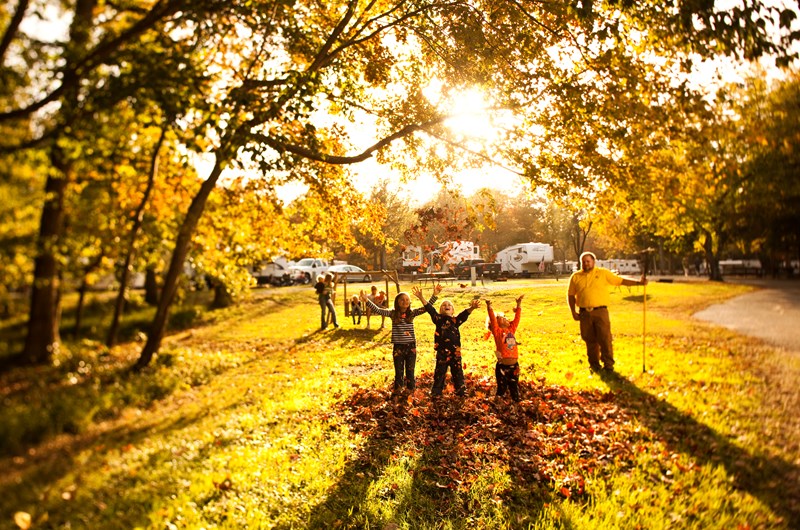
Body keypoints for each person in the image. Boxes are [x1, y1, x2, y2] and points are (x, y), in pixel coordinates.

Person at [567, 251, 647, 373]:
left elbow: (620, 281)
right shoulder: (576, 276)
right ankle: (594, 365)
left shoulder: (603, 273)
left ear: (593, 261)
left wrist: (638, 283)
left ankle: (608, 365)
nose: (586, 263)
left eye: (588, 261)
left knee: (605, 339)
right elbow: (571, 295)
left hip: (601, 312)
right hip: (584, 313)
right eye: (583, 262)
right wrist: (573, 312)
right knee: (590, 340)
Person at [361, 284, 441, 396]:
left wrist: (434, 295)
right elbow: (379, 310)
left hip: (411, 347)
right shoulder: (393, 313)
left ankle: (411, 392)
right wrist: (367, 301)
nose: (405, 301)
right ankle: (397, 392)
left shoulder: (412, 313)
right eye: (402, 300)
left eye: (407, 299)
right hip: (398, 347)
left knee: (410, 371)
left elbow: (426, 308)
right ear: (397, 302)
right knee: (399, 371)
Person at [418, 292, 481, 398]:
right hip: (442, 352)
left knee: (458, 373)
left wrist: (472, 307)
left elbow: (464, 314)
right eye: (443, 305)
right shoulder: (438, 319)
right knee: (439, 373)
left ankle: (461, 391)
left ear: (453, 311)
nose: (446, 306)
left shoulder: (456, 320)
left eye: (449, 305)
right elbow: (430, 309)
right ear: (440, 310)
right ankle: (436, 392)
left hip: (455, 353)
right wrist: (421, 297)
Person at [486, 295, 524, 402]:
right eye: (503, 318)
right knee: (501, 389)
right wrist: (489, 307)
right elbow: (493, 320)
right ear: (497, 323)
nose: (507, 320)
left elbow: (517, 319)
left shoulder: (511, 330)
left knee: (514, 387)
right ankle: (498, 405)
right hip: (502, 366)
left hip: (514, 366)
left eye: (506, 318)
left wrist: (519, 305)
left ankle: (516, 404)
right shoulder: (497, 332)